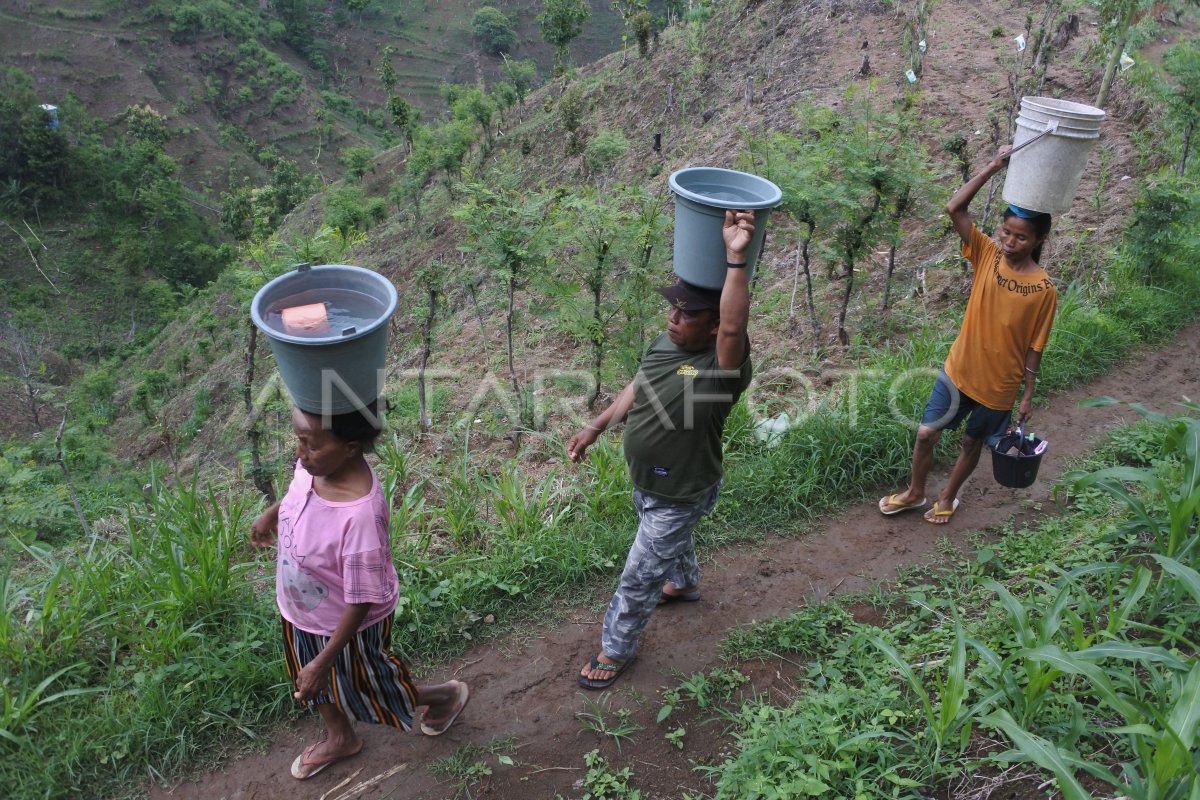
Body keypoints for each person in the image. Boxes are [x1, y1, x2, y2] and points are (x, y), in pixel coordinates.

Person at [567, 210, 755, 689]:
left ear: (714, 327)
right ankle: (687, 583)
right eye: (672, 309)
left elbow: (734, 331)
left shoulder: (720, 370)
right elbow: (640, 382)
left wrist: (736, 259)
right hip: (650, 480)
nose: (673, 319)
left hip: (683, 490)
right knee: (669, 545)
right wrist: (599, 424)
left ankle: (616, 649)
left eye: (688, 314)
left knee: (639, 574)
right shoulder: (665, 345)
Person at [250, 403, 470, 780]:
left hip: (347, 624)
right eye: (299, 442)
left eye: (310, 445)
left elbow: (361, 598)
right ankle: (340, 737)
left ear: (351, 448)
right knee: (306, 676)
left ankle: (444, 696)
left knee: (366, 687)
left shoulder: (360, 516)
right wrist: (274, 512)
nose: (300, 454)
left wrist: (324, 661)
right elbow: (298, 490)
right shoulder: (315, 464)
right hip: (301, 611)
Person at [879, 145, 1057, 524]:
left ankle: (947, 497)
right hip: (959, 371)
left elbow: (1035, 346)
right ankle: (915, 492)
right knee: (927, 433)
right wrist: (993, 166)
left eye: (1020, 238)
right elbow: (954, 208)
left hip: (998, 387)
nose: (1009, 242)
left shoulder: (1044, 289)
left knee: (972, 442)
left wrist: (1027, 395)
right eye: (1006, 233)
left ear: (1038, 241)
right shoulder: (987, 254)